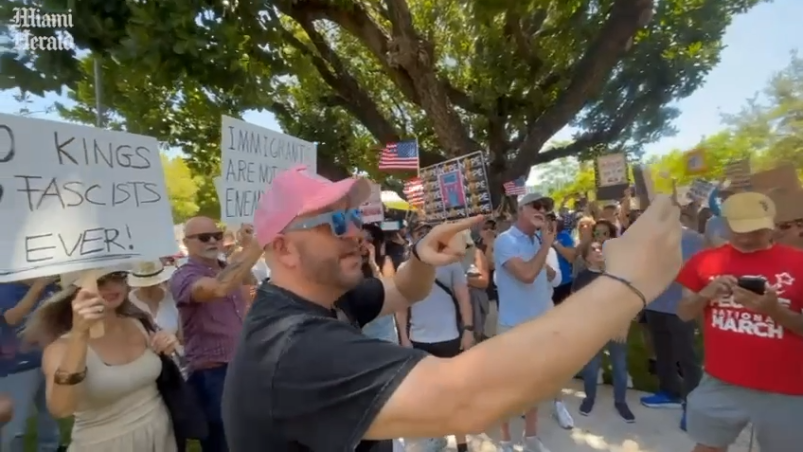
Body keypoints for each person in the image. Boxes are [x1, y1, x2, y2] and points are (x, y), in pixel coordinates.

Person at [221, 164, 684, 452]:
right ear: (282, 249)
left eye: (356, 218)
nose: (357, 233)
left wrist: (423, 256)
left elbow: (401, 291)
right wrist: (627, 284)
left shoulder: (323, 297)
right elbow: (466, 398)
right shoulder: (290, 350)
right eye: (337, 221)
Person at [676, 192, 803, 452]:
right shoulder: (704, 261)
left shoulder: (798, 263)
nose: (745, 238)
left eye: (755, 231)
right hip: (721, 381)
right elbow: (684, 313)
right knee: (707, 446)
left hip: (786, 389)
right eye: (738, 230)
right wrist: (705, 295)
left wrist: (774, 310)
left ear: (771, 224)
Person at [23, 267, 180, 452]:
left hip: (160, 435)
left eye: (117, 276)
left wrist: (167, 342)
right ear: (75, 289)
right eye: (99, 281)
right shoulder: (60, 348)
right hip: (104, 444)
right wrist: (80, 333)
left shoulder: (138, 322)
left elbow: (155, 363)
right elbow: (61, 408)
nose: (111, 286)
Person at [169, 219, 259, 452]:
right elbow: (218, 288)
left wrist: (246, 255)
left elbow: (252, 291)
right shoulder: (183, 276)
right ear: (186, 242)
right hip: (213, 374)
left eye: (216, 235)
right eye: (203, 237)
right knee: (224, 442)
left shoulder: (225, 267)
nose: (212, 241)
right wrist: (255, 247)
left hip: (243, 365)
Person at [494, 192, 571, 452]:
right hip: (514, 327)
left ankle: (531, 437)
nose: (542, 210)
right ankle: (505, 440)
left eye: (546, 207)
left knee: (535, 386)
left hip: (539, 325)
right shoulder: (505, 240)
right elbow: (526, 274)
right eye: (536, 206)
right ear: (521, 209)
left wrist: (546, 256)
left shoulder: (539, 239)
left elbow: (551, 277)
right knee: (508, 389)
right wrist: (546, 247)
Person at [640, 214, 705, 431]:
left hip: (680, 306)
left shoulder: (695, 239)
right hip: (654, 304)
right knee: (662, 353)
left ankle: (693, 406)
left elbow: (698, 271)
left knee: (687, 358)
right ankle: (670, 392)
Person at [573, 242, 634, 422]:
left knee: (620, 367)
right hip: (593, 329)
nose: (599, 251)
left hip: (616, 327)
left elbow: (627, 301)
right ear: (586, 258)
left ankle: (621, 402)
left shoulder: (616, 275)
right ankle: (589, 398)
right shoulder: (582, 277)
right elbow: (577, 304)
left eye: (600, 248)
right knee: (591, 368)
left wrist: (624, 324)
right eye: (593, 249)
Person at [0, 278, 61, 452]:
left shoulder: (52, 287)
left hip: (49, 359)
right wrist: (37, 288)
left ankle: (51, 447)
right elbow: (12, 318)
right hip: (16, 367)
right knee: (14, 425)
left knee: (50, 413)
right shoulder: (5, 286)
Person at [128, 261, 180, 335]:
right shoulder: (128, 302)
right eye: (144, 285)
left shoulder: (172, 299)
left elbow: (182, 336)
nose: (149, 288)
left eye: (153, 284)